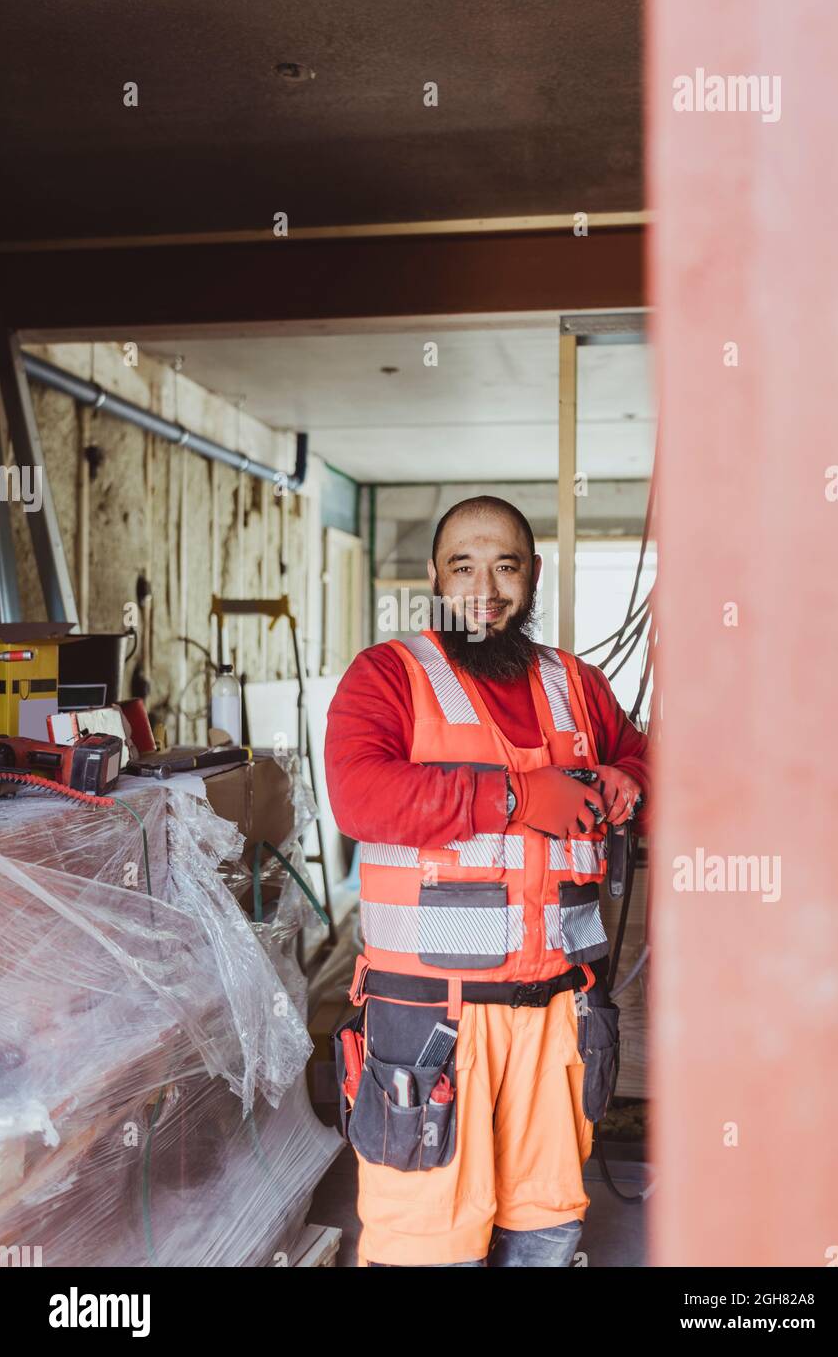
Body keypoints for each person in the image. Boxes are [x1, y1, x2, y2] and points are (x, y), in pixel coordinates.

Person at [324, 495, 650, 1267]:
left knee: (544, 1228)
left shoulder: (577, 683)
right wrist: (513, 797)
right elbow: (358, 794)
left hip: (559, 1018)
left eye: (505, 566)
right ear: (436, 576)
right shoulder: (390, 676)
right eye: (464, 566)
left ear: (532, 576)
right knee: (427, 1240)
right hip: (435, 1024)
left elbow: (651, 762)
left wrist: (626, 778)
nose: (486, 588)